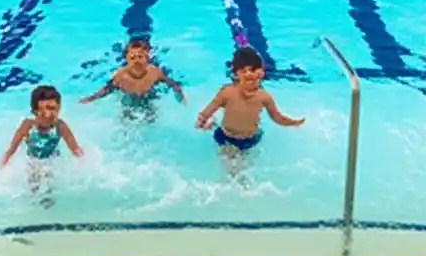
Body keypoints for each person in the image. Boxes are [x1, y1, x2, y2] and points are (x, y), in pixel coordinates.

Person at [195, 47, 304, 178]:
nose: (249, 75)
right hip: (226, 137)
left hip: (250, 139)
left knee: (246, 170)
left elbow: (277, 117)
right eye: (245, 72)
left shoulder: (264, 97)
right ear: (236, 74)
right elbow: (209, 109)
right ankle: (212, 125)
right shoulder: (227, 93)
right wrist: (202, 119)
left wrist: (293, 123)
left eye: (253, 72)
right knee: (232, 172)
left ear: (261, 74)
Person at [1, 85, 84, 205]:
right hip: (33, 160)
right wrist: (4, 163)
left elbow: (75, 149)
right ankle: (33, 202)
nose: (53, 113)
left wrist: (84, 163)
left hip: (52, 160)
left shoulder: (60, 126)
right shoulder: (28, 126)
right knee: (33, 181)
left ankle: (49, 203)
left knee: (49, 179)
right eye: (48, 108)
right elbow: (12, 148)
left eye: (56, 108)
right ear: (36, 111)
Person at [79, 39, 186, 117]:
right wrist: (91, 98)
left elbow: (171, 84)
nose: (137, 60)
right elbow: (107, 89)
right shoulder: (121, 74)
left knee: (152, 116)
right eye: (132, 58)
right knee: (126, 119)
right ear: (126, 60)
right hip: (128, 96)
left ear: (147, 59)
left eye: (140, 57)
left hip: (147, 95)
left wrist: (179, 94)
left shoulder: (154, 71)